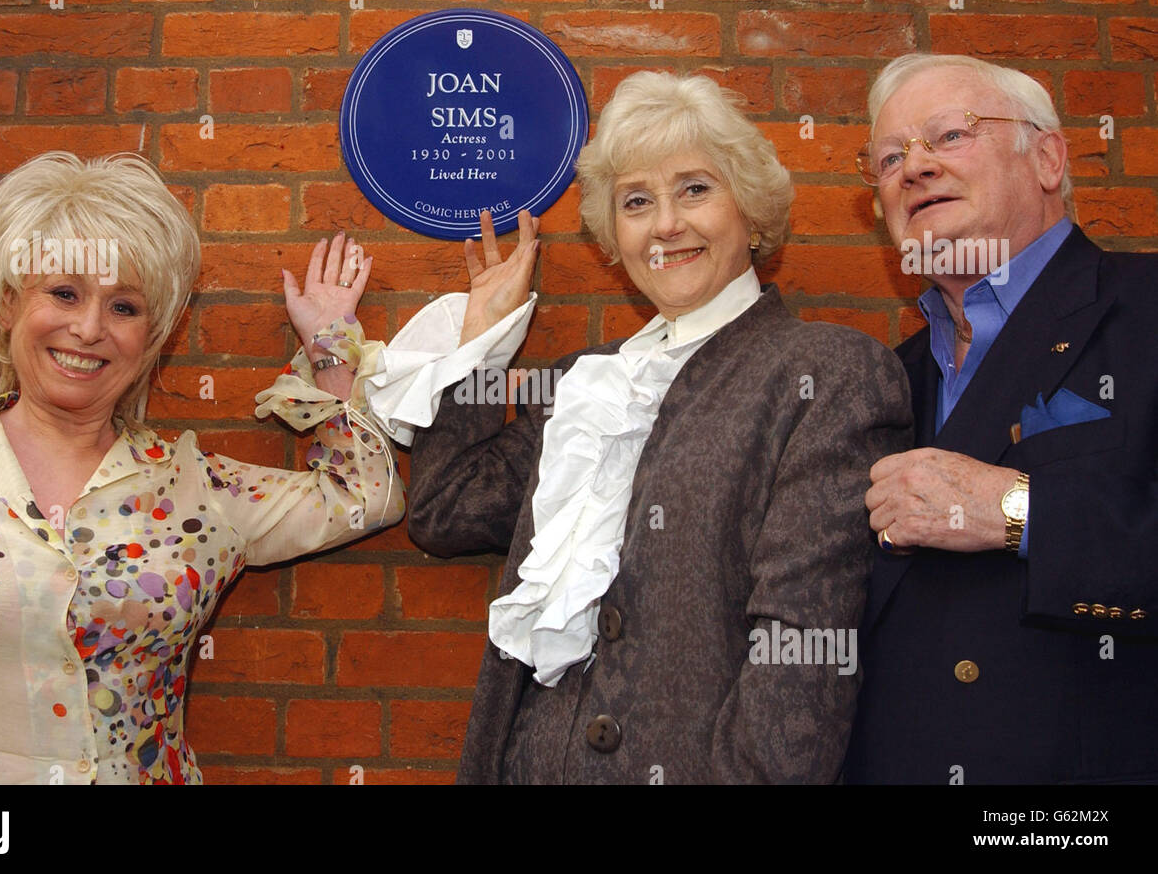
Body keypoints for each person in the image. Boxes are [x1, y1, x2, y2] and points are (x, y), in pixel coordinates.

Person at [365, 72, 913, 783]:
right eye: (636, 201)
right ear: (612, 236)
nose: (665, 224)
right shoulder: (583, 380)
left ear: (750, 211)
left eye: (695, 189)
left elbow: (800, 652)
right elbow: (445, 509)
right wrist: (482, 338)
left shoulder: (826, 373)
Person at [0, 151, 404, 784]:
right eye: (64, 293)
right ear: (8, 305)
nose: (89, 328)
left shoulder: (196, 489)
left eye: (125, 308)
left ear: (154, 336)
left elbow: (368, 494)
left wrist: (332, 343)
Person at [844, 54, 1158, 784]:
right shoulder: (880, 380)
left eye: (950, 136)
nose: (914, 168)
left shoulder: (1146, 308)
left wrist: (1019, 511)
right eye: (890, 157)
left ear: (1047, 158)